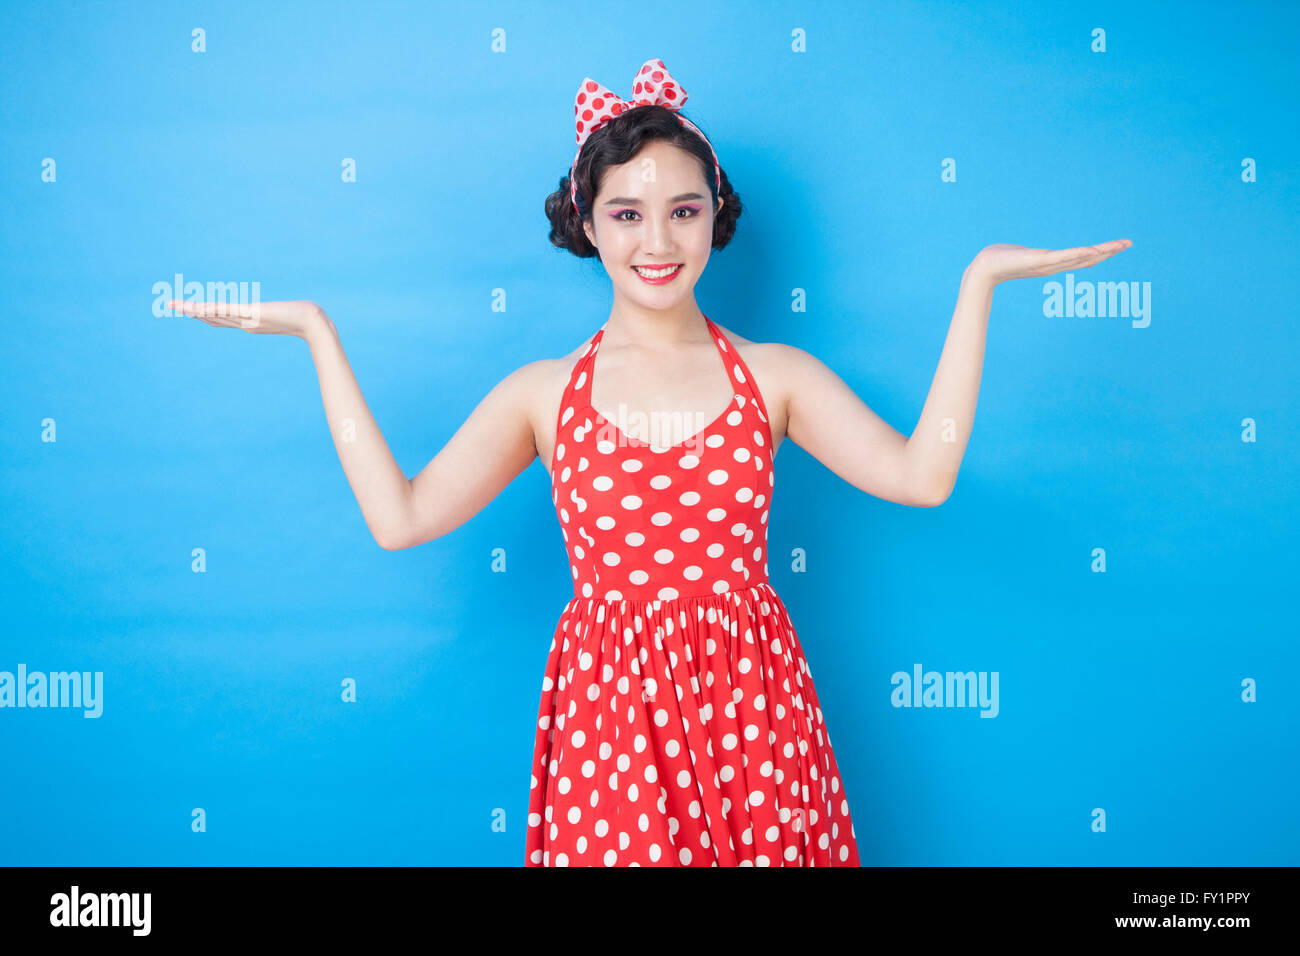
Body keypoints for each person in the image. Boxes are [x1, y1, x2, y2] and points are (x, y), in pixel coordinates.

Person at [169, 57, 1131, 867]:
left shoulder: (776, 376)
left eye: (683, 209)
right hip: (610, 731)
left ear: (717, 215)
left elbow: (925, 477)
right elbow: (401, 518)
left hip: (756, 721)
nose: (659, 240)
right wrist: (316, 335)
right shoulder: (542, 395)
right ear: (587, 225)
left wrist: (980, 286)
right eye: (627, 215)